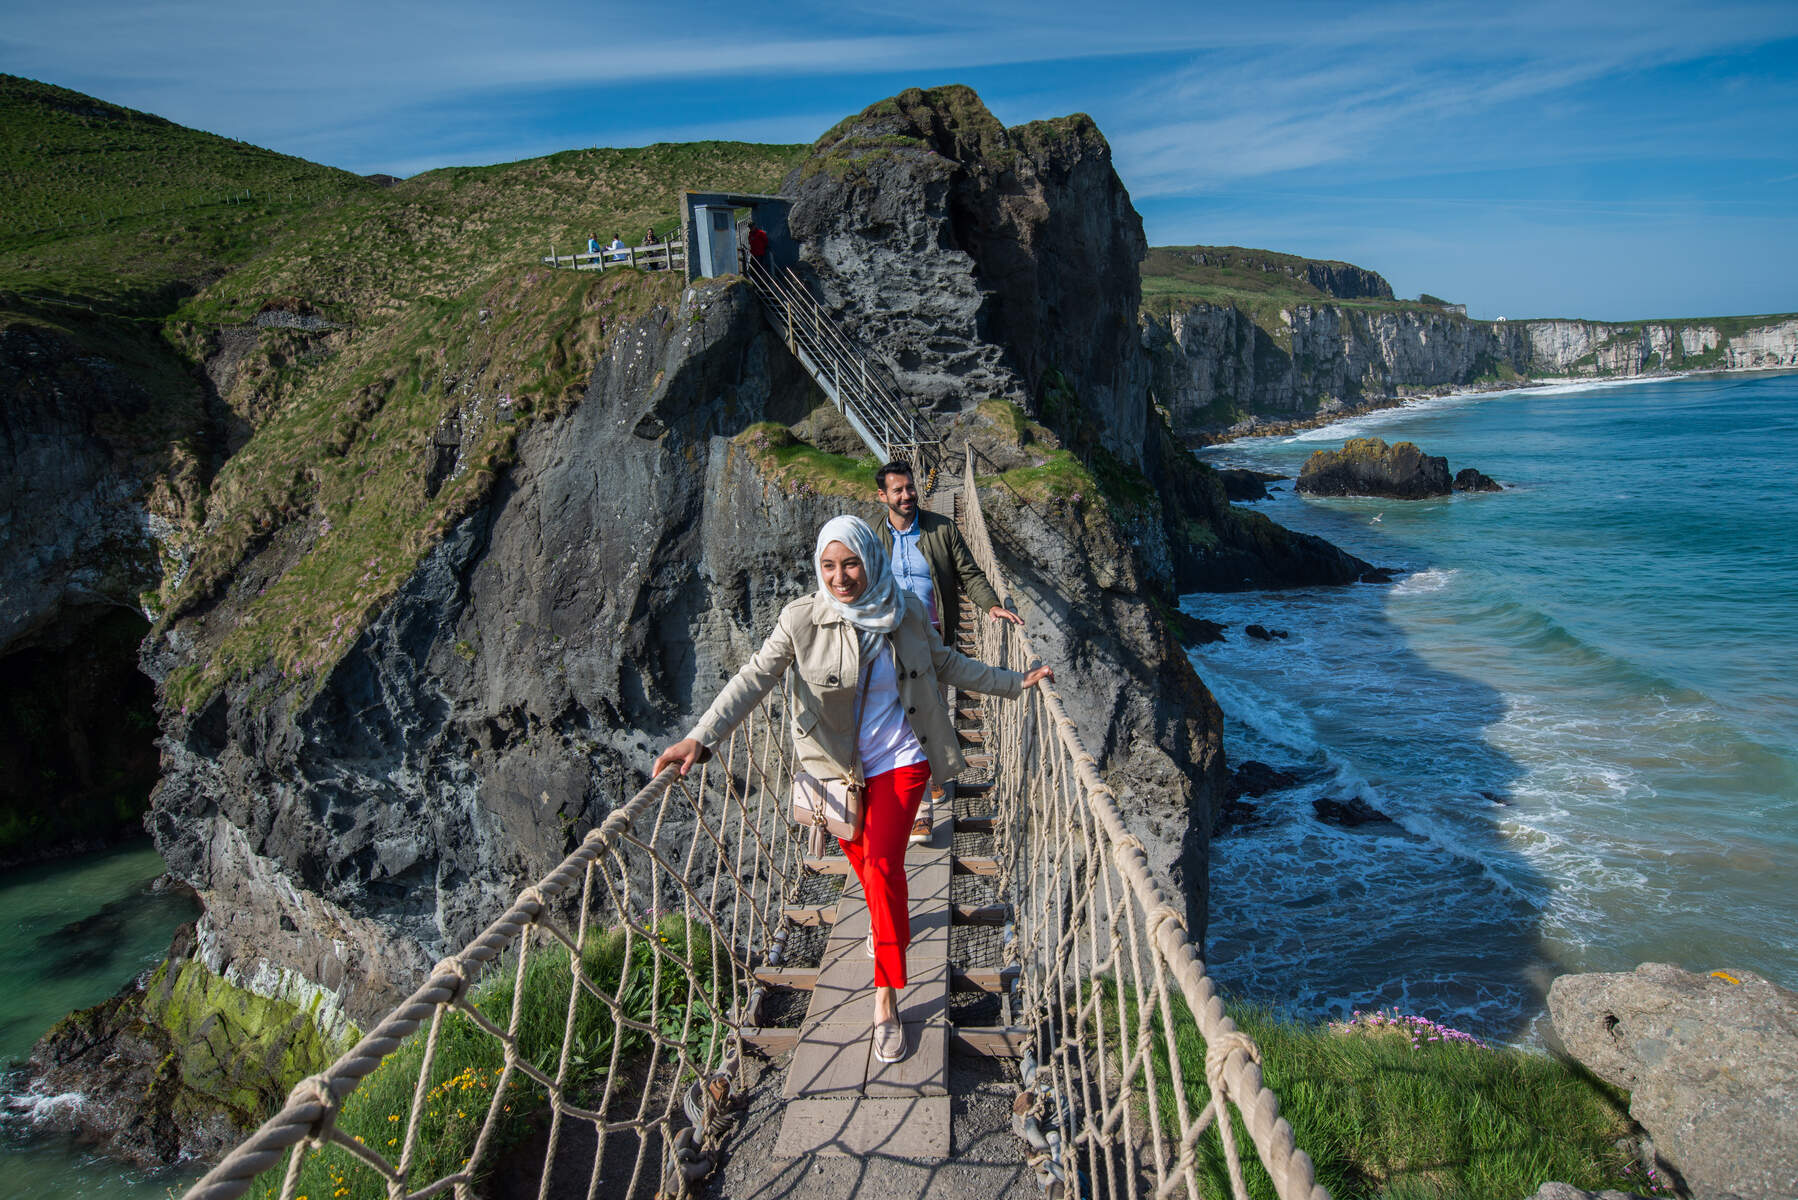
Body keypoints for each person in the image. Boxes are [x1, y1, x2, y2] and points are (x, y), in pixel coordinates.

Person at [653, 515, 1052, 1065]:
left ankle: (886, 998)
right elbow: (752, 678)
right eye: (829, 566)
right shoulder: (801, 620)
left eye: (851, 563)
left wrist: (1014, 682)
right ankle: (890, 925)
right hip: (835, 772)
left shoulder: (907, 611)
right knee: (868, 869)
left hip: (901, 760)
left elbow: (947, 664)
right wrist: (700, 737)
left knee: (885, 866)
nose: (840, 577)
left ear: (872, 559)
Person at [872, 460, 1024, 843]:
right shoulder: (871, 538)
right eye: (898, 490)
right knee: (908, 725)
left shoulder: (941, 528)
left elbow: (968, 572)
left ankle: (930, 776)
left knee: (931, 714)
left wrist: (990, 604)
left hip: (934, 641)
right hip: (889, 646)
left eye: (910, 487)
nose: (907, 495)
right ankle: (921, 813)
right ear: (882, 496)